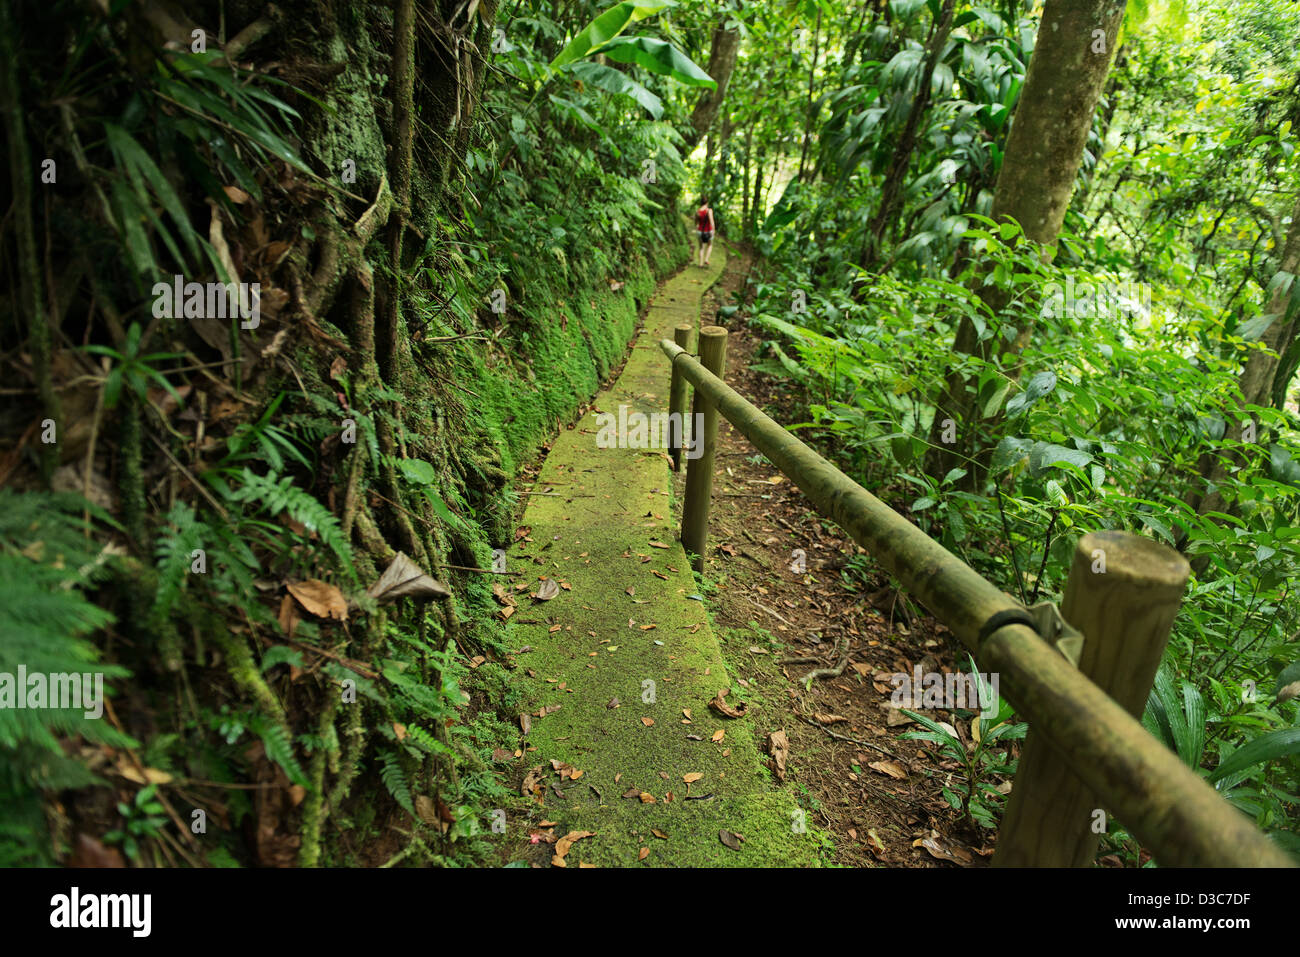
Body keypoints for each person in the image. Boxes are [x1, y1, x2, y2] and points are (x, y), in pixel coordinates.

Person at [695, 198, 715, 267]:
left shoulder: (698, 211)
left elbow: (696, 223)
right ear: (707, 203)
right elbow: (711, 221)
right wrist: (713, 230)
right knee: (710, 245)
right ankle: (706, 259)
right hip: (708, 231)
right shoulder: (709, 211)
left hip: (700, 231)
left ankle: (700, 263)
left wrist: (697, 228)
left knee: (701, 248)